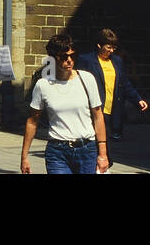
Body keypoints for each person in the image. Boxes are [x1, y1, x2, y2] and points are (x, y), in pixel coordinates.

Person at [21, 33, 108, 174]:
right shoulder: (43, 85)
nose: (69, 61)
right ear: (53, 58)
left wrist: (103, 154)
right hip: (57, 151)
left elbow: (98, 116)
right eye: (63, 57)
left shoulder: (87, 79)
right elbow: (32, 121)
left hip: (87, 149)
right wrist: (24, 156)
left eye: (72, 56)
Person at [76, 28, 148, 146]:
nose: (111, 51)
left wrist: (138, 99)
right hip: (95, 108)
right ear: (99, 45)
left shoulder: (117, 61)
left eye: (113, 48)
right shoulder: (86, 60)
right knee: (94, 143)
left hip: (113, 108)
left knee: (107, 144)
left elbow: (124, 83)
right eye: (108, 47)